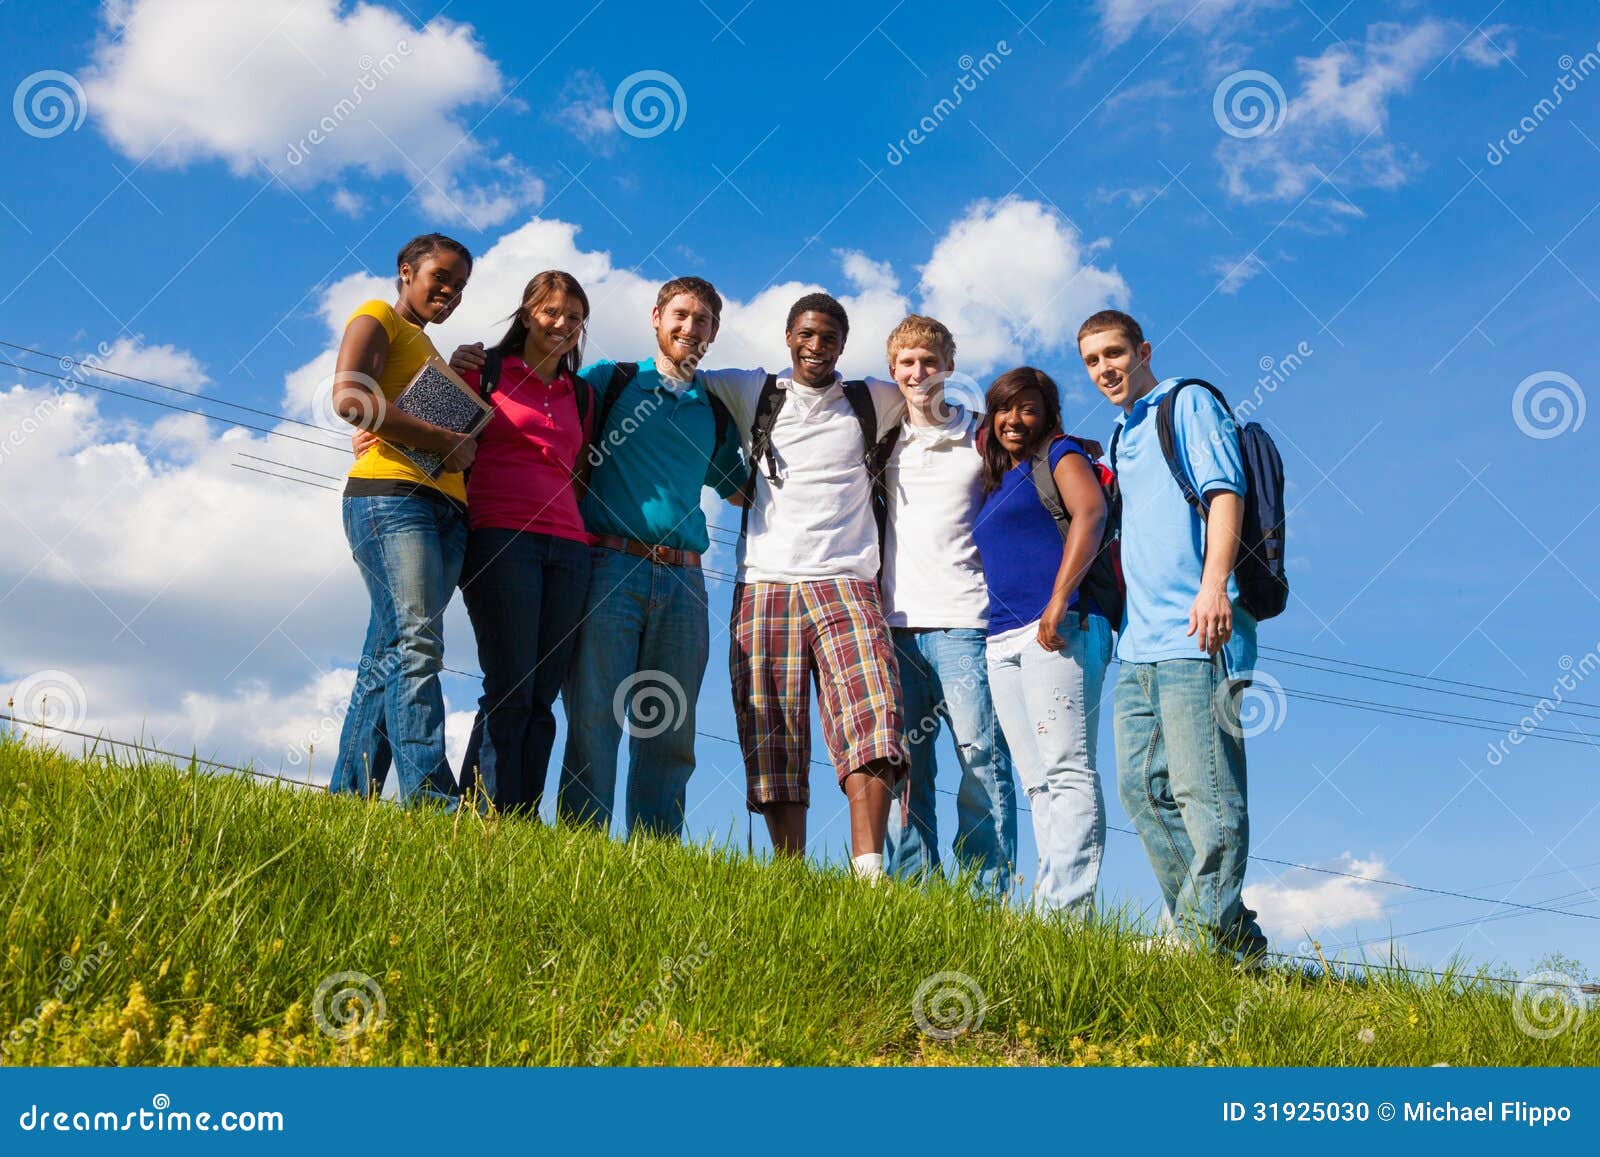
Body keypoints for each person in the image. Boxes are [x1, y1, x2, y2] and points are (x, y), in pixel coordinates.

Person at [1078, 308, 1269, 961]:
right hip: (1138, 642)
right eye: (1092, 360)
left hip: (1199, 630)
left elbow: (1225, 491)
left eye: (1113, 353)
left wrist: (1215, 584)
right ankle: (1231, 939)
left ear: (1142, 350)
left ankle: (1197, 942)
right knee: (1141, 788)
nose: (1104, 368)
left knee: (1206, 792)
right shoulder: (1121, 432)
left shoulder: (1185, 402)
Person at [699, 295, 907, 877]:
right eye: (808, 334)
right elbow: (679, 374)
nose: (817, 347)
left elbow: (943, 408)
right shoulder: (751, 390)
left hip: (848, 583)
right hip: (766, 583)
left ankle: (869, 877)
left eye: (830, 337)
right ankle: (790, 878)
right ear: (789, 335)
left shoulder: (873, 399)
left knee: (874, 717)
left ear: (844, 343)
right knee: (772, 728)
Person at [328, 232, 476, 806]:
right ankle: (433, 800)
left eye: (460, 285)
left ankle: (348, 797)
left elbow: (393, 407)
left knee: (390, 649)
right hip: (393, 498)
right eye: (441, 277)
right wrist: (446, 440)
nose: (450, 291)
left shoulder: (428, 348)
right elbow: (350, 397)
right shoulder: (376, 316)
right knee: (419, 641)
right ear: (406, 270)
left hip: (446, 509)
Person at [876, 315, 1018, 897]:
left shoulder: (983, 438)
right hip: (893, 623)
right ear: (893, 371)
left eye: (929, 362)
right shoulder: (881, 437)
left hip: (967, 620)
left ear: (949, 369)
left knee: (981, 757)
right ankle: (914, 891)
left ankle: (985, 895)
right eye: (907, 363)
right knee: (903, 768)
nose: (918, 372)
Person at [451, 271, 596, 817]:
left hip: (568, 547)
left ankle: (520, 817)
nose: (562, 324)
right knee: (509, 682)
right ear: (527, 313)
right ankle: (479, 809)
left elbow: (580, 471)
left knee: (543, 694)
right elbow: (433, 428)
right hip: (500, 537)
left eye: (574, 317)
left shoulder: (580, 393)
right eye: (551, 312)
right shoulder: (485, 369)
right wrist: (375, 429)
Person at [971, 367, 1111, 918]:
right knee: (1037, 784)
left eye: (1028, 408)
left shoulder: (1061, 453)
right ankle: (1051, 911)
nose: (1014, 419)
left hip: (1059, 624)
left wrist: (1059, 599)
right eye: (1004, 408)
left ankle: (1066, 914)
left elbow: (1091, 513)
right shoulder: (999, 478)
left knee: (1068, 768)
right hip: (1002, 638)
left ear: (1048, 414)